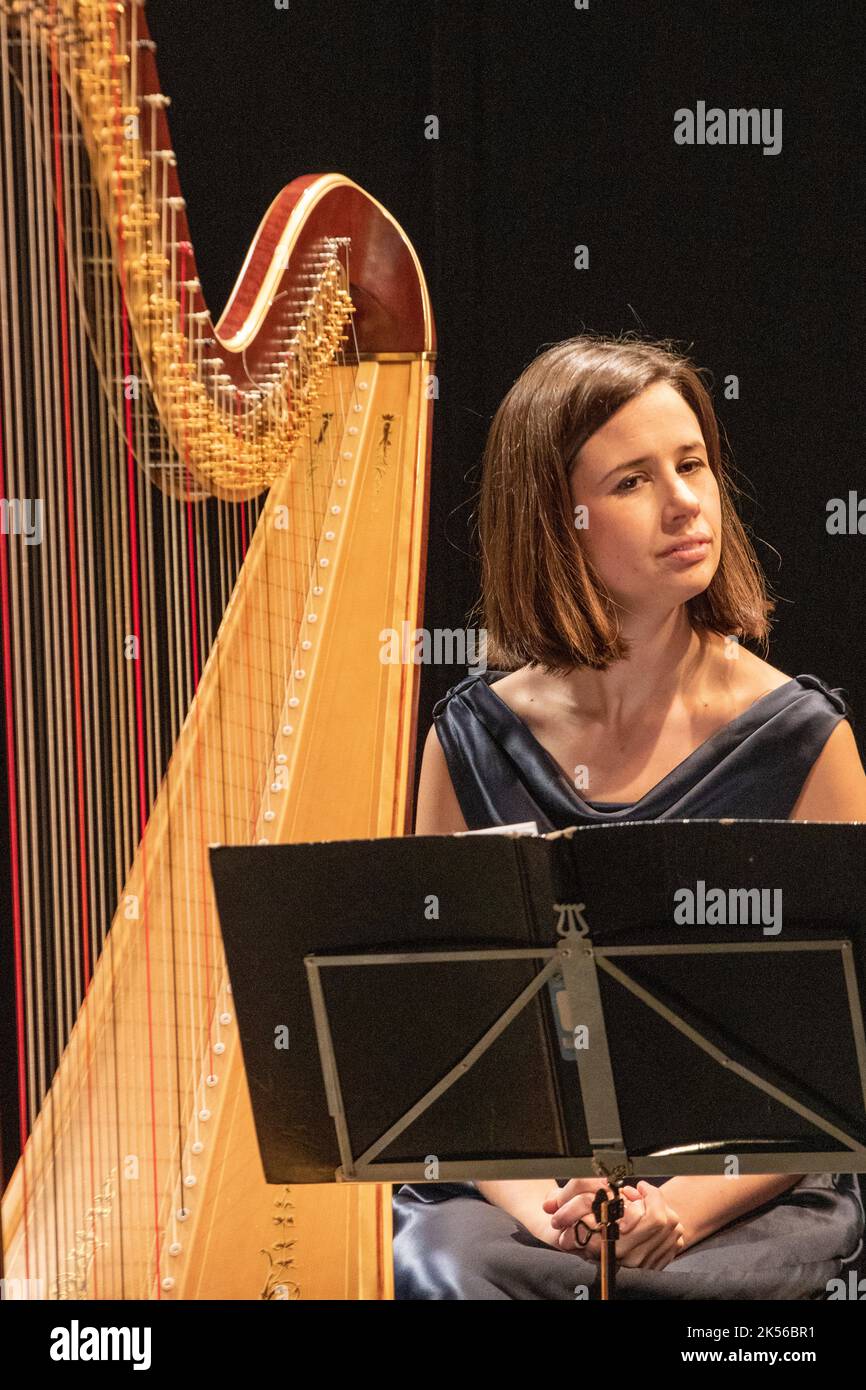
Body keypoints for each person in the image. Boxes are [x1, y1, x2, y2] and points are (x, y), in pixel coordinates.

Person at [392, 332, 866, 1300]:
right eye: (631, 481)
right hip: (520, 1187)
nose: (685, 501)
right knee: (452, 1264)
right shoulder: (469, 738)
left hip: (746, 1182)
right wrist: (548, 1203)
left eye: (690, 464)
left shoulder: (802, 740)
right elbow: (440, 1033)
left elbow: (840, 1060)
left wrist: (678, 1208)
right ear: (553, 518)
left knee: (692, 1291)